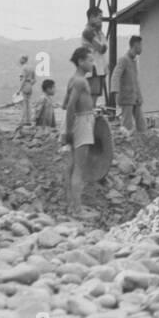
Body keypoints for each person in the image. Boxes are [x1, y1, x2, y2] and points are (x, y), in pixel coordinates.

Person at [62, 46, 97, 217]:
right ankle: (78, 210)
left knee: (71, 166)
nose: (93, 63)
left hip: (77, 120)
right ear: (81, 61)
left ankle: (71, 206)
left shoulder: (72, 80)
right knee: (79, 168)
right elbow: (69, 107)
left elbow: (64, 104)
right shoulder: (80, 81)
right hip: (81, 122)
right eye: (90, 60)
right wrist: (70, 130)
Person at [112, 36, 146, 135]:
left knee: (142, 125)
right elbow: (115, 76)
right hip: (126, 98)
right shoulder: (123, 60)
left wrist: (139, 96)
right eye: (141, 45)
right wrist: (115, 93)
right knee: (127, 126)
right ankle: (126, 146)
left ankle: (142, 144)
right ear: (136, 45)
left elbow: (135, 81)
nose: (142, 48)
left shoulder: (134, 61)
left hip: (135, 99)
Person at [80, 6, 109, 109]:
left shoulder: (99, 32)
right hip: (93, 69)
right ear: (92, 17)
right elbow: (101, 48)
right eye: (99, 17)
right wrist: (102, 47)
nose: (101, 20)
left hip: (100, 69)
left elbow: (104, 47)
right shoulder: (88, 32)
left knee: (95, 96)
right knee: (91, 98)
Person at [16, 55, 36, 127]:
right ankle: (28, 120)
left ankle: (24, 120)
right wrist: (30, 84)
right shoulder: (31, 67)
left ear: (24, 59)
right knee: (28, 104)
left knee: (25, 104)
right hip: (30, 86)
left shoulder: (24, 68)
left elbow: (23, 79)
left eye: (20, 59)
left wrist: (19, 89)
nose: (19, 60)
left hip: (25, 85)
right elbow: (34, 80)